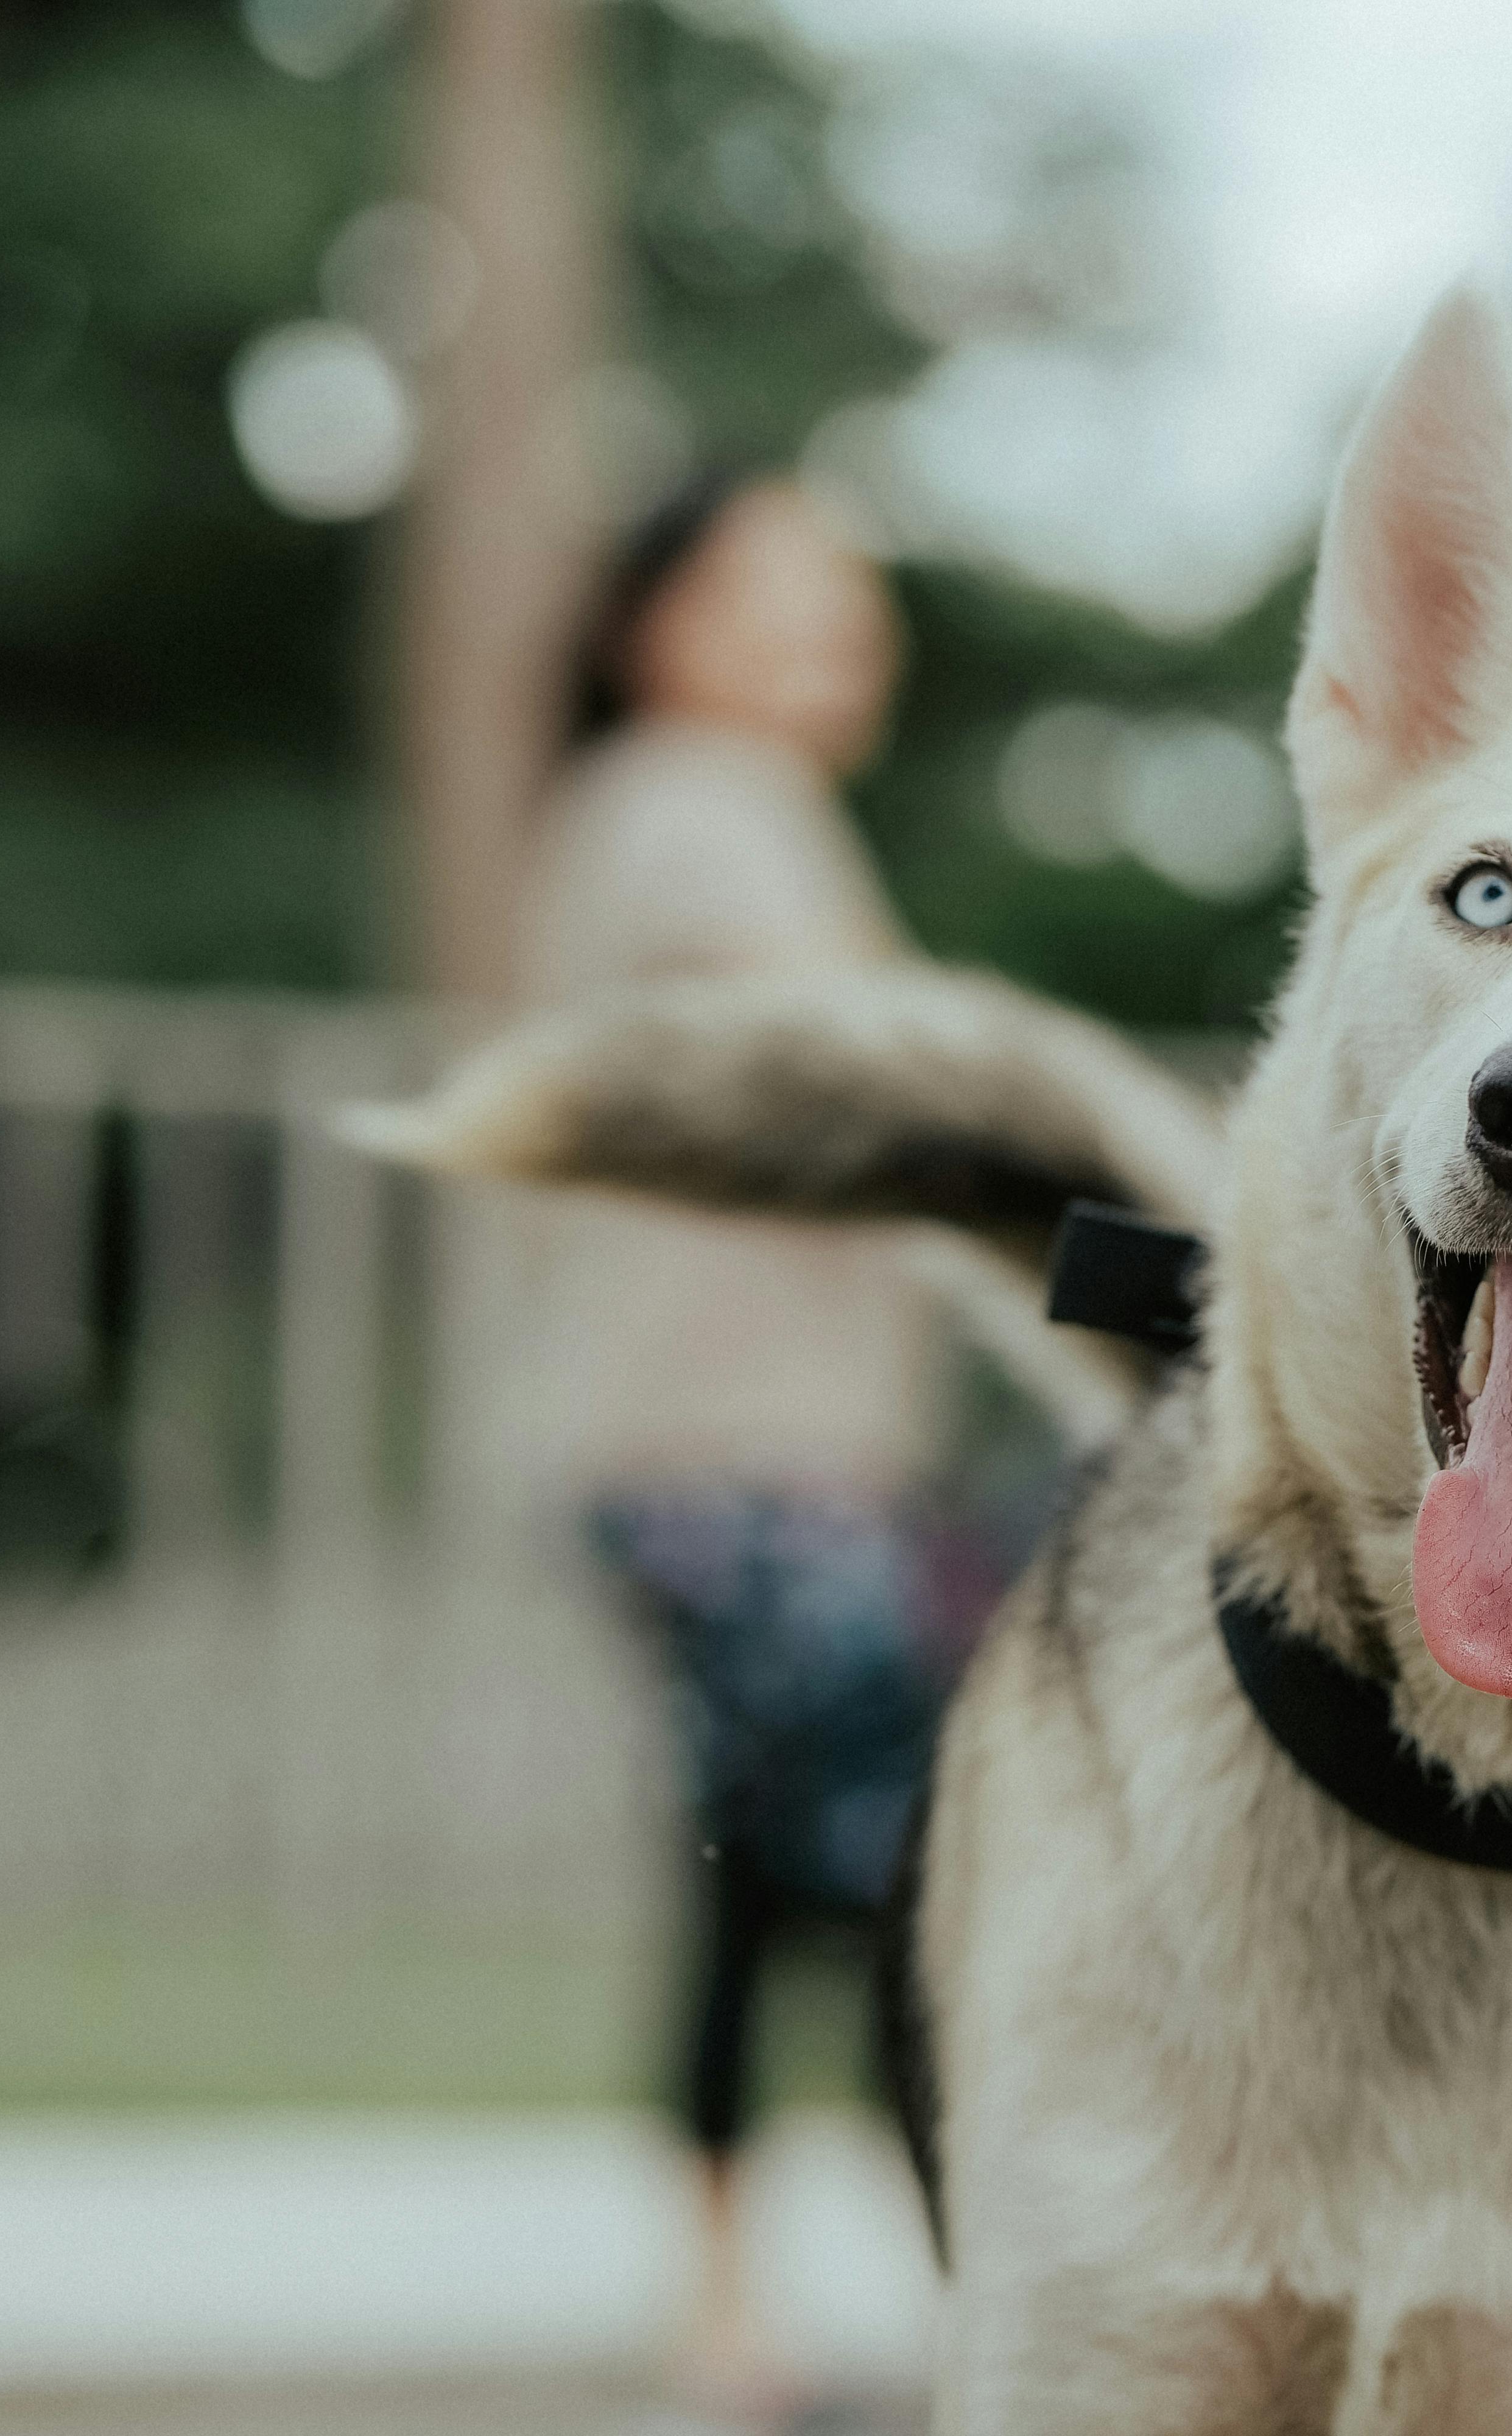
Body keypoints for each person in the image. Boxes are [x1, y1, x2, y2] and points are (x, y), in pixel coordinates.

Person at [518, 474, 1007, 2427]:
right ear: (655, 624)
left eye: (850, 601)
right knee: (909, 1876)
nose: (833, 635)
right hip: (740, 1456)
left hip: (716, 1445)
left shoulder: (673, 806)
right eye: (776, 595)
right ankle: (1002, 2328)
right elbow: (835, 1074)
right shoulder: (697, 804)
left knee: (755, 1882)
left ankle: (730, 2326)